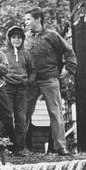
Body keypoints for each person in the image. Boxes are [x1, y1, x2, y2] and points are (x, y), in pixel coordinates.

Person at [22, 8, 77, 156]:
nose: (25, 22)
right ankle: (20, 147)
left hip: (50, 79)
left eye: (28, 19)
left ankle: (61, 147)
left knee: (55, 112)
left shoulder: (52, 35)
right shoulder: (24, 38)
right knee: (24, 113)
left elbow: (69, 51)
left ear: (37, 19)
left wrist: (69, 69)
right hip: (30, 82)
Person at [0, 25, 36, 155]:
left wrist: (29, 81)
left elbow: (32, 70)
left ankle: (20, 148)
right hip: (7, 89)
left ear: (22, 39)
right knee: (7, 117)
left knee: (21, 118)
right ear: (9, 39)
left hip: (21, 89)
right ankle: (3, 147)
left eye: (19, 38)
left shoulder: (26, 54)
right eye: (14, 37)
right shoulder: (3, 52)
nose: (16, 40)